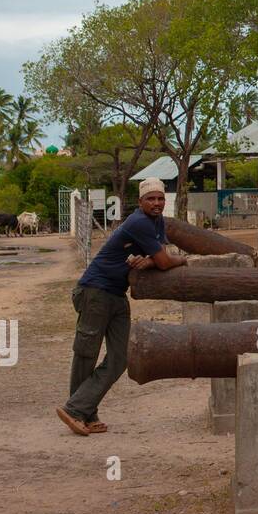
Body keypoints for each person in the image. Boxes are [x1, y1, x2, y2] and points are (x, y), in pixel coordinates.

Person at [56, 178, 188, 436]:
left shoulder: (157, 222)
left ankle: (81, 409)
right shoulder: (138, 221)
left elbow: (155, 259)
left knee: (120, 357)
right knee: (87, 353)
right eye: (151, 199)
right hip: (95, 291)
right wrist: (180, 259)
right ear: (140, 203)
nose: (157, 203)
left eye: (160, 198)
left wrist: (151, 261)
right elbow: (163, 260)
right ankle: (80, 412)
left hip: (117, 293)